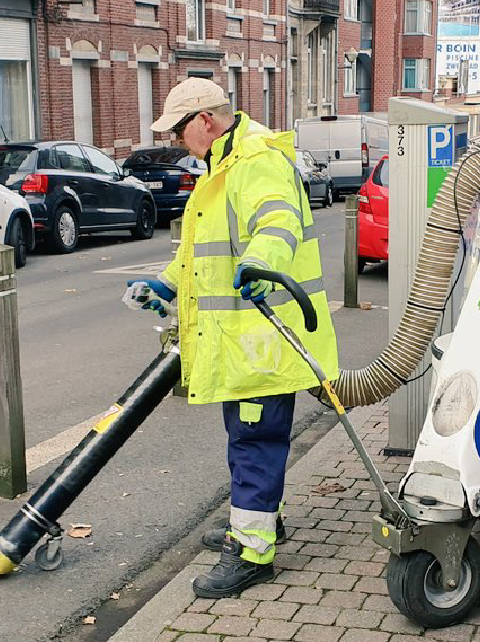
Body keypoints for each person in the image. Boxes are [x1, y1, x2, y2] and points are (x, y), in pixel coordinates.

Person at [125, 78, 339, 598]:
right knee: (248, 439)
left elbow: (278, 222)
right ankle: (262, 520)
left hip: (262, 339)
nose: (177, 141)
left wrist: (262, 261)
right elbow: (201, 251)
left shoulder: (255, 159)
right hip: (243, 339)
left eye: (178, 130)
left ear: (205, 120)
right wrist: (166, 284)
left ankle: (250, 552)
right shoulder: (222, 166)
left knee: (254, 441)